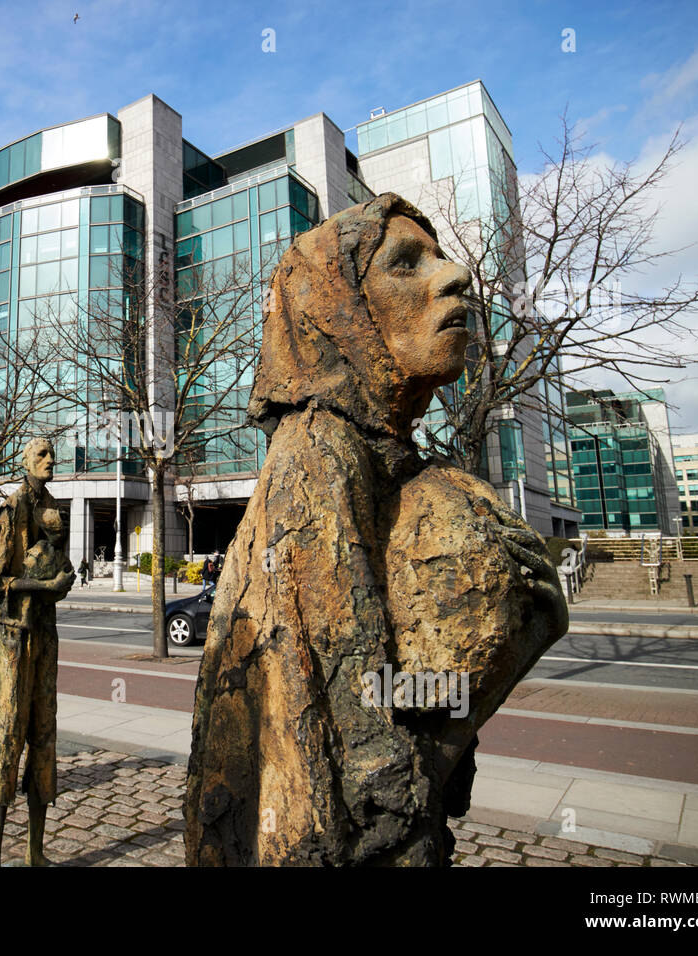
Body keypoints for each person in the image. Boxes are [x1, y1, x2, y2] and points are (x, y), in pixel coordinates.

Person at [185, 195, 568, 867]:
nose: (452, 276)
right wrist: (524, 634)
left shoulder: (415, 472)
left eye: (441, 257)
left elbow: (403, 703)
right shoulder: (317, 458)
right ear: (335, 311)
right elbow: (359, 729)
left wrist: (527, 634)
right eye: (404, 265)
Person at [0, 438, 75, 866]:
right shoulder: (13, 506)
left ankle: (35, 852)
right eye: (41, 455)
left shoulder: (54, 507)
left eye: (52, 455)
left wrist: (65, 575)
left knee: (44, 736)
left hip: (46, 635)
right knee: (8, 735)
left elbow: (61, 563)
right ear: (26, 462)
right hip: (15, 640)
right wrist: (43, 587)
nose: (50, 461)